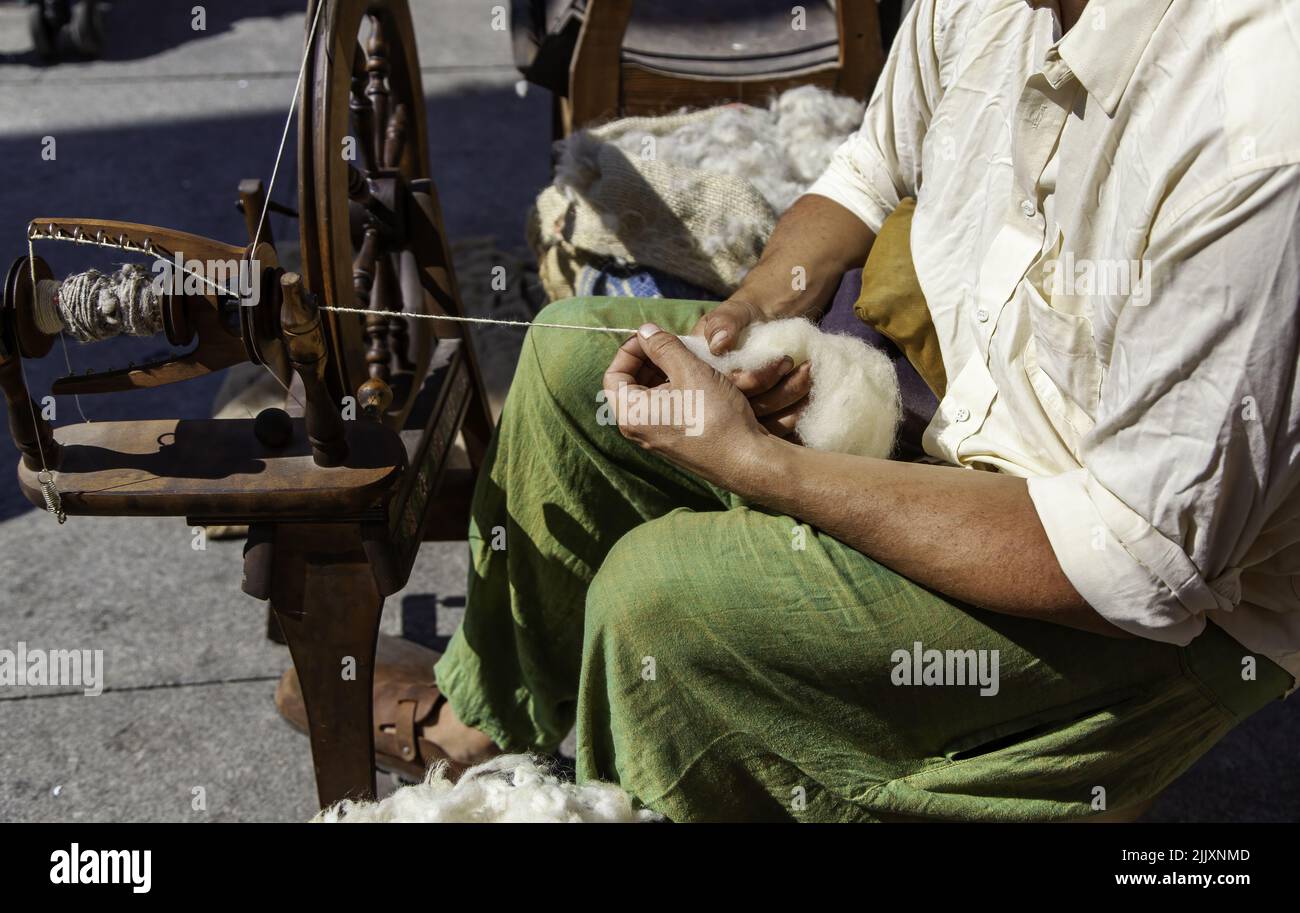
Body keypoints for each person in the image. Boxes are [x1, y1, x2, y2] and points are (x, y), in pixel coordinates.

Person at [280, 0, 1300, 821]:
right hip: (975, 442)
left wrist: (761, 467)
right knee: (568, 357)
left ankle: (663, 786)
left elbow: (1142, 565)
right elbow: (864, 175)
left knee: (663, 598)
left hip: (1159, 619)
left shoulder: (1257, 121)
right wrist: (749, 316)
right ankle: (488, 718)